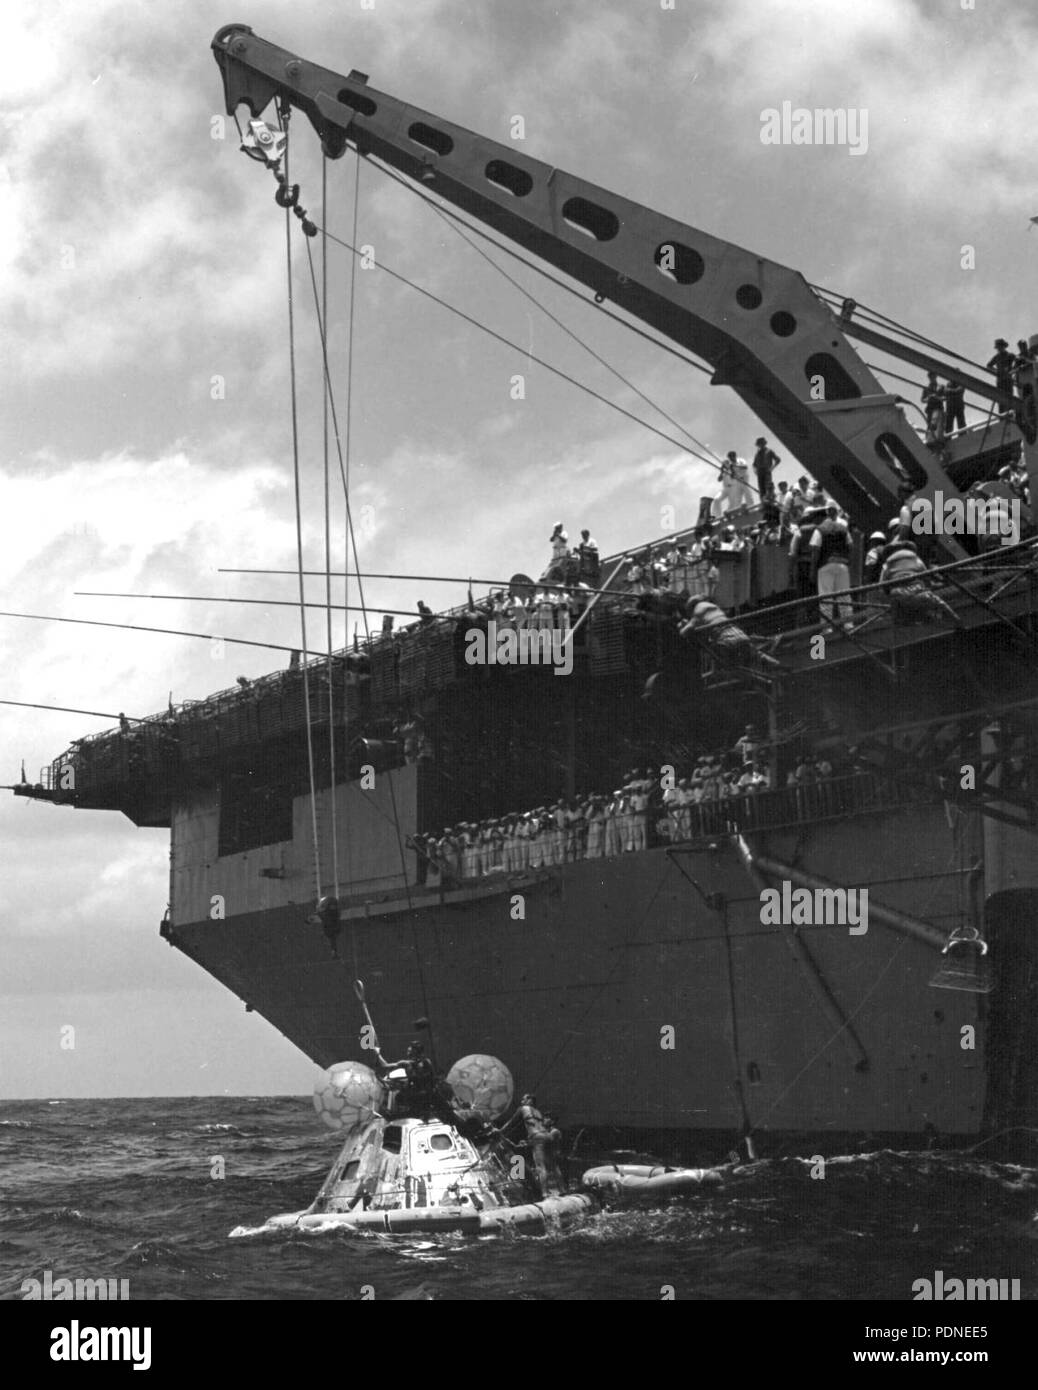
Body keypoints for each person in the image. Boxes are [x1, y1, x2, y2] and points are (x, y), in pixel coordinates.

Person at [502, 1093, 563, 1198]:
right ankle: (562, 1189)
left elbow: (511, 1122)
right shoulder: (538, 1112)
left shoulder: (523, 1108)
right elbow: (538, 1126)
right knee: (553, 1166)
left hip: (536, 1137)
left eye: (524, 1099)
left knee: (540, 1167)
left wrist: (500, 1130)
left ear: (530, 1100)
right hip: (547, 1136)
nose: (522, 1101)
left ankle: (544, 1193)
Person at [809, 504, 854, 631]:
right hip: (842, 564)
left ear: (822, 517)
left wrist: (813, 570)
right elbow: (851, 546)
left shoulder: (820, 529)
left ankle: (827, 629)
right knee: (845, 596)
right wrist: (848, 561)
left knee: (825, 597)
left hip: (825, 565)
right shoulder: (843, 528)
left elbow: (815, 550)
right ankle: (848, 625)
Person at [987, 338, 1015, 413]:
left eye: (1000, 347)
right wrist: (996, 371)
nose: (998, 349)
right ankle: (1002, 418)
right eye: (998, 347)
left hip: (1008, 380)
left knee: (1009, 399)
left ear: (1003, 346)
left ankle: (1011, 416)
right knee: (1001, 401)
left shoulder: (1010, 355)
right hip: (1000, 381)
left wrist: (1011, 371)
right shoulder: (997, 357)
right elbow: (989, 366)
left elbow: (1016, 363)